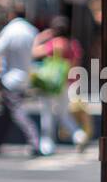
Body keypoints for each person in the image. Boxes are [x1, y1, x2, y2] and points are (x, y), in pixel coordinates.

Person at [0, 4, 42, 156]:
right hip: (25, 76)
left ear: (12, 14)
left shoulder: (10, 30)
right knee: (6, 115)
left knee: (17, 112)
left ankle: (35, 142)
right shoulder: (31, 30)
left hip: (11, 79)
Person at [31, 16, 89, 153]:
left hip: (50, 83)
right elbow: (76, 65)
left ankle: (47, 144)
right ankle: (78, 135)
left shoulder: (53, 44)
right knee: (63, 113)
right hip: (66, 83)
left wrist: (40, 37)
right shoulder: (73, 45)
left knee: (47, 114)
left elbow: (33, 52)